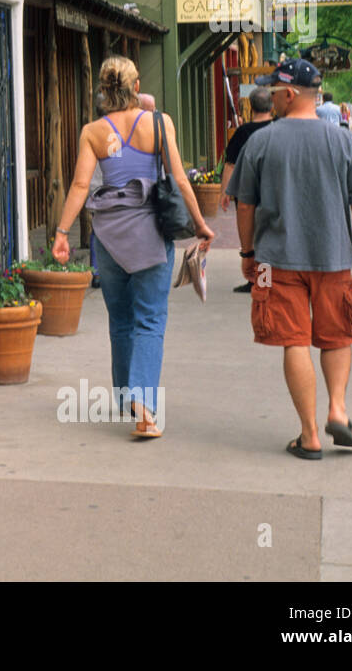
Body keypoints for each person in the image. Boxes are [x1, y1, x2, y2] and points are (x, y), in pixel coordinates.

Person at [226, 59, 352, 461]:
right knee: (338, 335)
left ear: (289, 94)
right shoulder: (345, 142)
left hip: (272, 263)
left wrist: (247, 255)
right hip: (334, 259)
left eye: (274, 90)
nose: (269, 96)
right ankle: (338, 409)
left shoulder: (259, 142)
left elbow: (243, 205)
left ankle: (310, 434)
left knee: (293, 339)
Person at [52, 56, 215, 438]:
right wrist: (201, 225)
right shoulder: (160, 123)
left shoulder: (93, 131)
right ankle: (144, 410)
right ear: (136, 86)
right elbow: (179, 178)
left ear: (104, 91)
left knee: (121, 320)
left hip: (107, 236)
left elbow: (79, 187)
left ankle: (127, 399)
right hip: (150, 236)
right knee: (150, 320)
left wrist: (62, 232)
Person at [220, 86, 275, 293]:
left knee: (252, 238)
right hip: (274, 191)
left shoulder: (243, 132)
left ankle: (260, 281)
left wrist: (225, 191)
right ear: (272, 106)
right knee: (269, 238)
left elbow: (230, 163)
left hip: (248, 191)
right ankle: (268, 280)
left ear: (250, 107)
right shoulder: (278, 127)